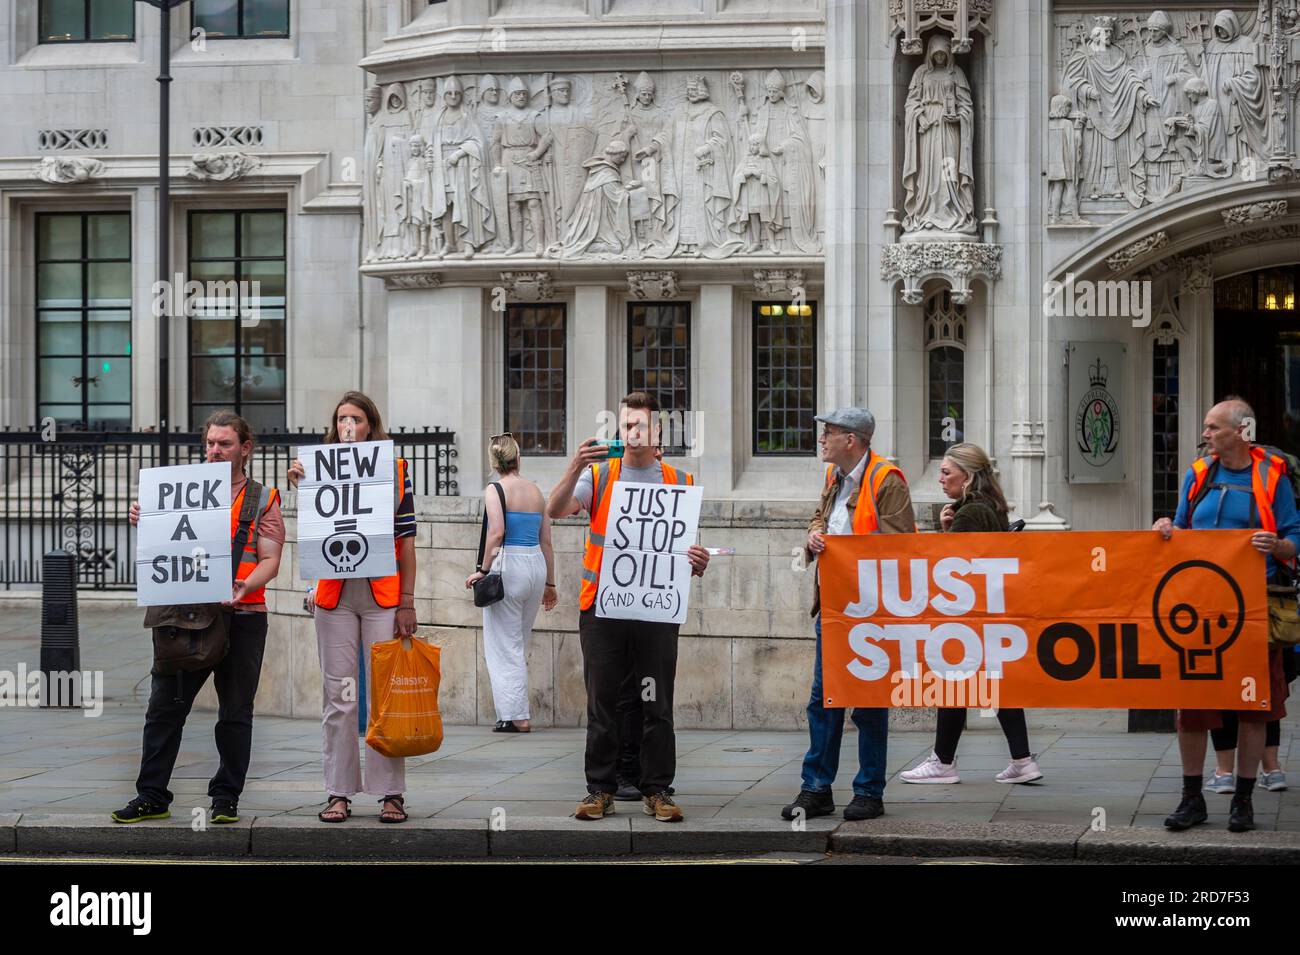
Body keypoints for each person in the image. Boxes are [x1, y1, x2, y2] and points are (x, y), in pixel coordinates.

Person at [113, 411, 284, 824]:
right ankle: (152, 795)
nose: (214, 450)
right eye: (210, 443)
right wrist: (144, 516)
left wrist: (244, 586)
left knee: (235, 712)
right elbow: (166, 548)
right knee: (165, 708)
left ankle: (226, 798)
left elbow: (271, 558)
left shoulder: (263, 497)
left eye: (224, 443)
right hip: (185, 614)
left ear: (245, 449)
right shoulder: (179, 490)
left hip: (243, 616)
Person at [546, 392, 710, 822]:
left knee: (657, 701)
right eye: (625, 425)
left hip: (656, 610)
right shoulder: (599, 477)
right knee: (602, 702)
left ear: (658, 433)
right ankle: (600, 789)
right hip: (603, 608)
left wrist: (698, 561)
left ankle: (658, 790)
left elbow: (683, 555)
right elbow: (555, 510)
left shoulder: (681, 482)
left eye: (640, 424)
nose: (632, 432)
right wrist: (574, 466)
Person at [1155, 398, 1300, 832]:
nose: (1206, 434)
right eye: (1206, 427)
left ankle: (1243, 801)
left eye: (1213, 427)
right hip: (1199, 606)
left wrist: (1276, 546)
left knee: (1254, 707)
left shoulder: (1272, 477)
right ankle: (1191, 798)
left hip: (1255, 607)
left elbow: (1294, 537)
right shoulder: (1198, 474)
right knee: (1194, 708)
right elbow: (1181, 526)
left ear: (1241, 431)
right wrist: (1166, 528)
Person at [287, 392, 419, 824]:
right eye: (342, 418)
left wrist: (407, 602)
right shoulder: (318, 468)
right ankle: (338, 792)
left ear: (370, 426)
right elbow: (313, 535)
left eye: (356, 419)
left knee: (383, 697)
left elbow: (407, 544)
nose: (348, 425)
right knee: (338, 698)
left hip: (382, 596)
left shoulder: (395, 470)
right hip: (334, 598)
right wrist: (300, 485)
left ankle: (390, 794)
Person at [782, 408, 916, 822]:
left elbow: (902, 546)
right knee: (823, 700)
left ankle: (869, 792)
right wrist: (814, 536)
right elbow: (819, 517)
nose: (822, 439)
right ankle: (816, 789)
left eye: (830, 433)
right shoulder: (834, 477)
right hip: (835, 608)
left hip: (872, 611)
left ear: (853, 440)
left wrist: (848, 549)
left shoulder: (886, 480)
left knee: (869, 702)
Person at [899, 442, 1043, 785]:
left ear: (968, 476)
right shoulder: (989, 507)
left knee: (952, 681)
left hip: (970, 615)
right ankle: (1022, 760)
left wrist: (947, 531)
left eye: (946, 472)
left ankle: (943, 762)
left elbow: (951, 569)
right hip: (987, 614)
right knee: (994, 685)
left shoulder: (971, 512)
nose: (940, 479)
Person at [465, 432, 557, 732]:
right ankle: (514, 712)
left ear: (494, 462)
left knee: (504, 647)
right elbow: (546, 540)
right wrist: (550, 584)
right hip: (535, 566)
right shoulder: (535, 490)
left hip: (510, 565)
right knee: (518, 641)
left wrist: (483, 569)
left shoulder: (495, 489)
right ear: (518, 458)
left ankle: (516, 716)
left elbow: (497, 533)